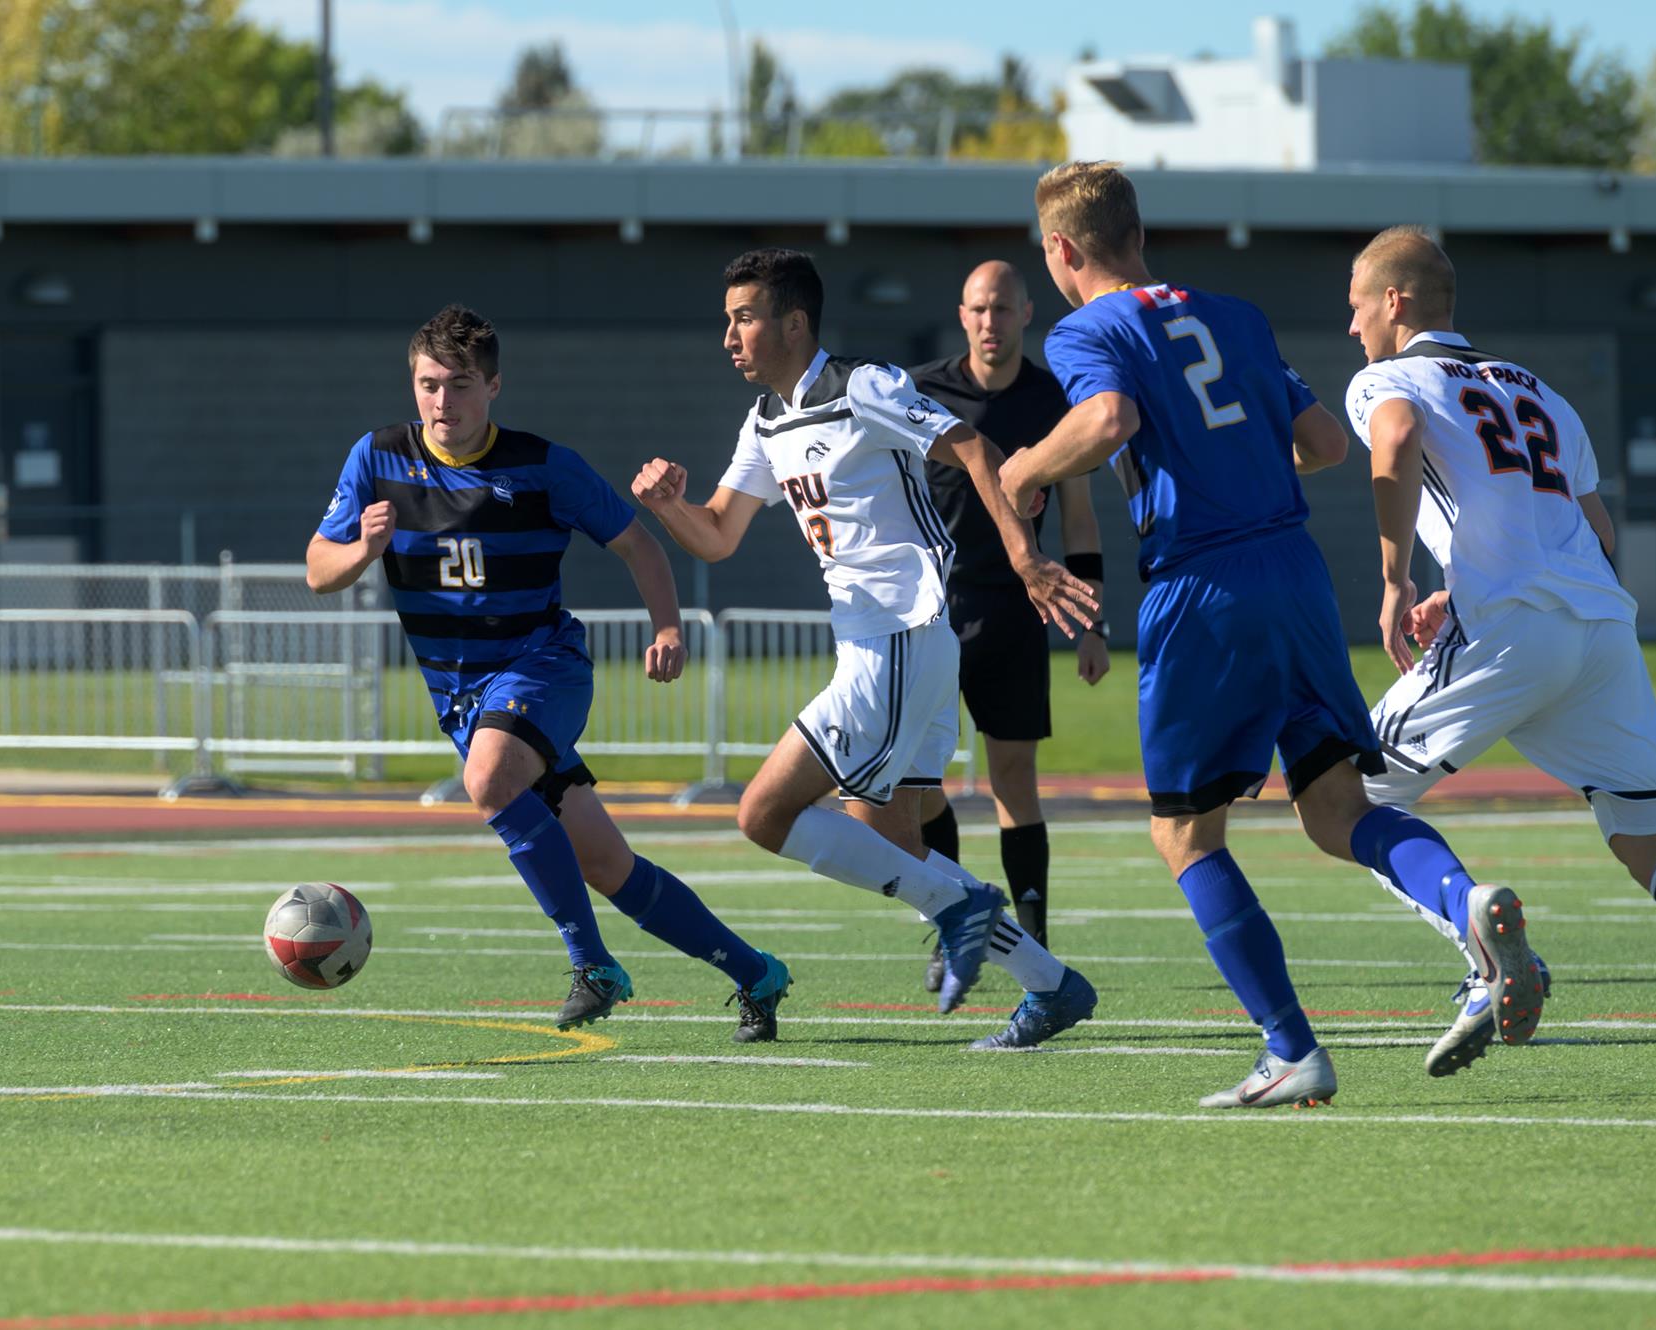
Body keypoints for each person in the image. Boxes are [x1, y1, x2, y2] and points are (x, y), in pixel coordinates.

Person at [998, 162, 1543, 1109]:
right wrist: (1239, 456)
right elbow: (1326, 443)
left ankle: (1291, 1048)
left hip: (1203, 585)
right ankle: (1467, 904)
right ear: (1139, 233)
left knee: (1184, 832)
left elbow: (1110, 417)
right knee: (1337, 810)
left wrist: (1024, 471)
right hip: (1295, 573)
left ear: (1061, 250)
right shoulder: (1237, 316)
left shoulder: (1086, 328)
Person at [1341, 225, 1656, 1090]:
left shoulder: (1387, 379)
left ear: (1395, 301)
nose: (1351, 327)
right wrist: (1466, 590)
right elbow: (1594, 531)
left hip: (1512, 627)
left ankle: (1484, 957)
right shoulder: (1540, 390)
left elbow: (1398, 433)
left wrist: (1393, 581)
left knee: (1345, 793)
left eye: (1356, 306)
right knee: (1652, 840)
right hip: (1600, 625)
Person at [631, 248, 1101, 1050]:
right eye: (728, 321)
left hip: (896, 640)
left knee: (763, 813)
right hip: (893, 649)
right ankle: (1052, 984)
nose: (730, 338)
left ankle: (962, 908)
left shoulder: (865, 387)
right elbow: (716, 535)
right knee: (894, 844)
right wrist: (670, 507)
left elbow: (977, 450)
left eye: (744, 319)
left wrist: (1025, 558)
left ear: (794, 324)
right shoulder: (765, 419)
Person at [306, 304, 792, 1042]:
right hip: (462, 699)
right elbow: (319, 570)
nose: (443, 402)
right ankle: (756, 972)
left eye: (460, 385)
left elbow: (639, 545)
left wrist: (668, 627)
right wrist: (362, 551)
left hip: (544, 668)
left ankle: (592, 965)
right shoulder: (376, 458)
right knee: (608, 866)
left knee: (488, 779)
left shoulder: (544, 466)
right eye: (429, 385)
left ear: (493, 386)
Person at [909, 260, 1111, 992]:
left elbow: (1080, 516)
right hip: (932, 610)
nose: (989, 322)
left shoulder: (1056, 399)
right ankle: (953, 921)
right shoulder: (920, 390)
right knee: (919, 782)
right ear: (961, 315)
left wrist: (1091, 622)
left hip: (1018, 608)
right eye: (978, 308)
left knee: (1014, 780)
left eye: (1002, 308)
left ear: (1026, 313)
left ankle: (1034, 944)